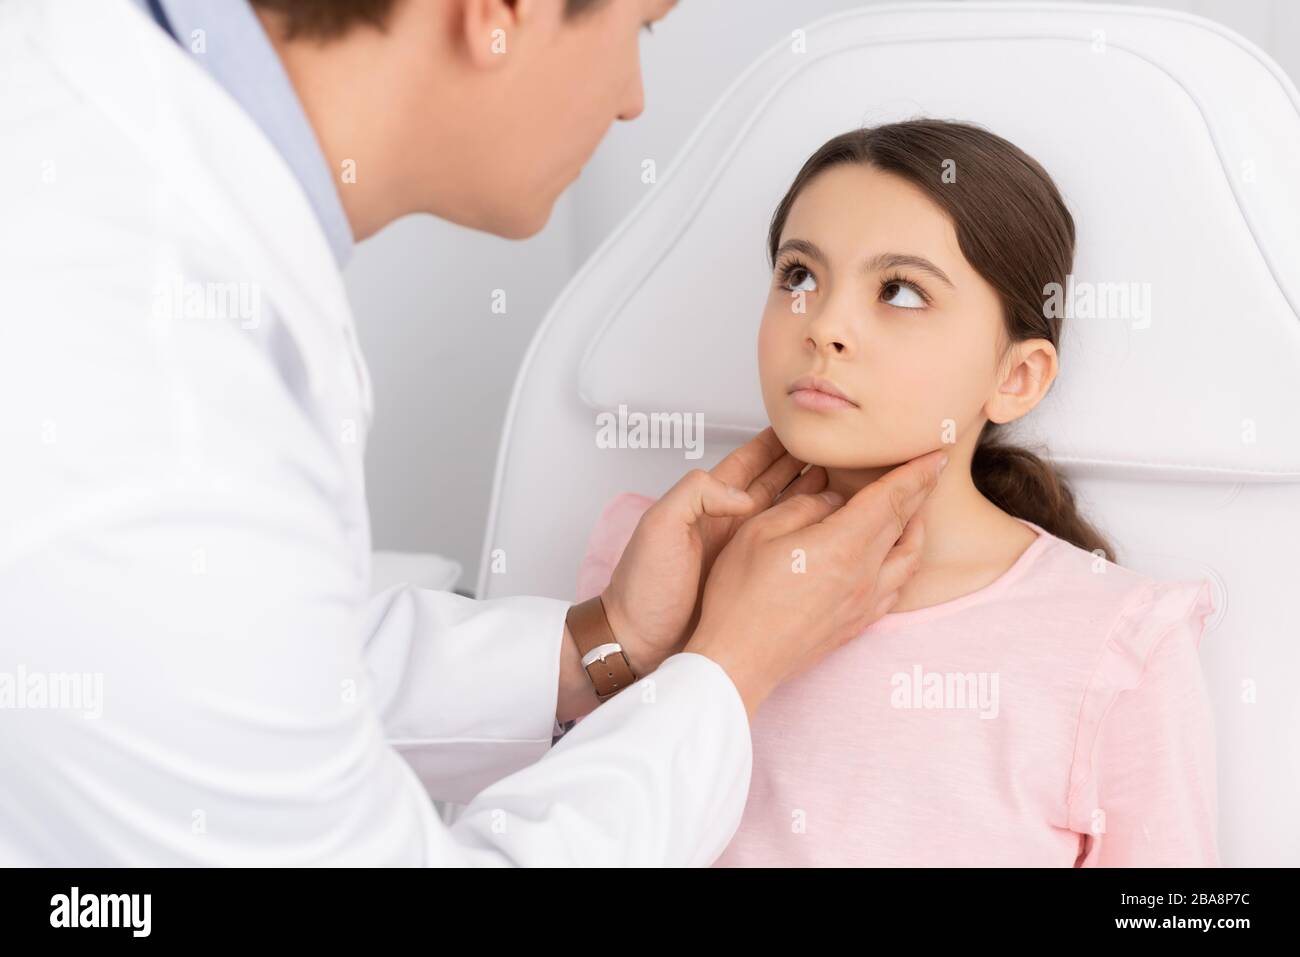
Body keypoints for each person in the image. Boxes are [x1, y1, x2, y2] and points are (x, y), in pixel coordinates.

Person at [0, 0, 943, 865]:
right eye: (641, 29)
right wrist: (728, 671)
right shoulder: (143, 383)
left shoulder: (119, 164)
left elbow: (238, 664)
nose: (631, 100)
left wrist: (599, 647)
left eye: (900, 291)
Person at [577, 121, 1219, 867]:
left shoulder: (1119, 641)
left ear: (1017, 376)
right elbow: (550, 823)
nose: (825, 326)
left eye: (901, 290)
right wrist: (621, 643)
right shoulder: (658, 556)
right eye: (799, 276)